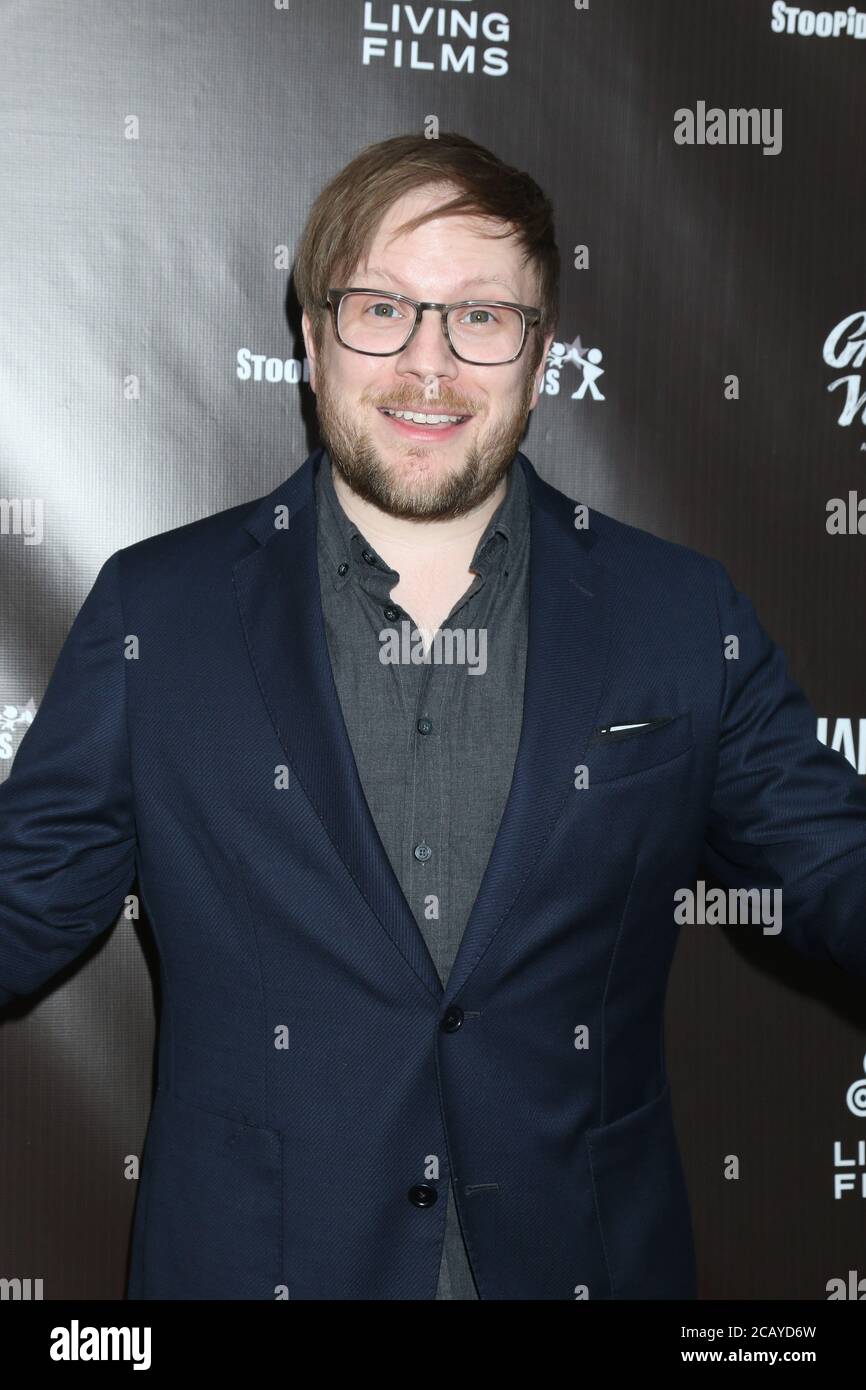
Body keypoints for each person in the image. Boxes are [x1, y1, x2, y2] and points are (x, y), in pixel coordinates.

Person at [1, 131, 865, 1301]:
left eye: (480, 318)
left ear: (539, 354)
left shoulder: (676, 615)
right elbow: (25, 901)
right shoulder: (160, 613)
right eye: (380, 311)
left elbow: (834, 864)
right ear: (310, 340)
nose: (428, 364)